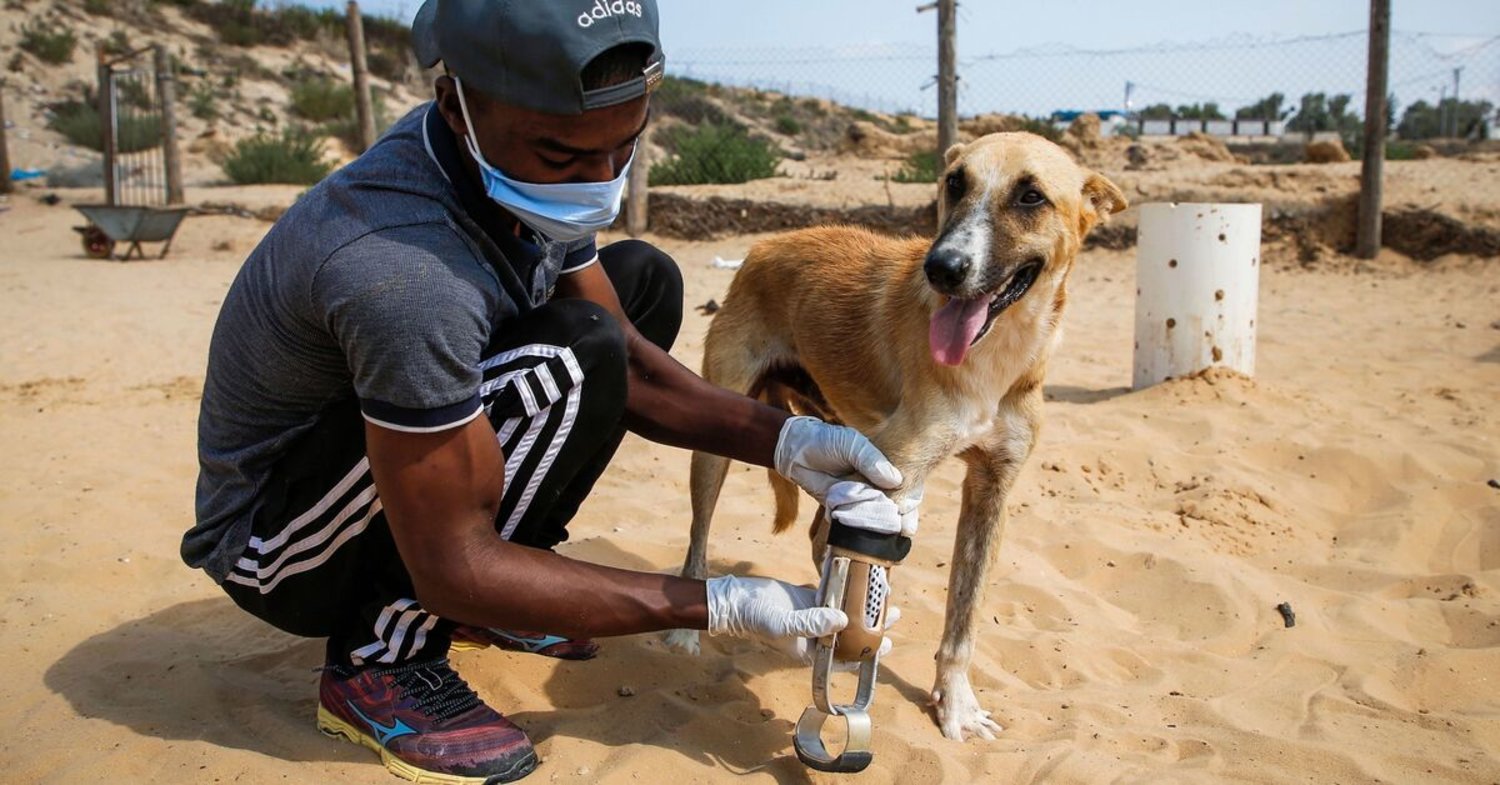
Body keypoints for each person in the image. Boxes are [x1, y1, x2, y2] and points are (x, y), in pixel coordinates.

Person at [182, 1, 919, 782]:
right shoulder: (401, 270)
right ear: (457, 110)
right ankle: (379, 662)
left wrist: (792, 441)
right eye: (563, 157)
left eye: (623, 146)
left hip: (397, 471)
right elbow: (450, 557)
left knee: (641, 284)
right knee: (567, 358)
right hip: (279, 544)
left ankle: (511, 589)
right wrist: (718, 602)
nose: (598, 182)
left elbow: (630, 364)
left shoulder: (521, 163)